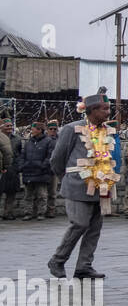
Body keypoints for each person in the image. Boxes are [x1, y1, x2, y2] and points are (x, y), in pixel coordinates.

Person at [47, 93, 117, 279]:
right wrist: (67, 177)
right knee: (79, 224)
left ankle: (84, 266)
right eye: (105, 109)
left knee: (94, 228)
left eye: (108, 109)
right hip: (77, 183)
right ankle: (58, 260)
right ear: (92, 110)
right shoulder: (72, 129)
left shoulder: (106, 131)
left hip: (101, 184)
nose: (108, 113)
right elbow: (57, 159)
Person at [19, 122, 54, 220]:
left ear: (39, 130)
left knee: (42, 195)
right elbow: (23, 155)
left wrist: (43, 165)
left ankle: (41, 213)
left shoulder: (48, 141)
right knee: (28, 195)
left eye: (33, 129)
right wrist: (22, 166)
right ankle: (28, 213)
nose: (31, 131)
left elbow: (49, 156)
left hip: (41, 172)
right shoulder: (29, 142)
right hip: (28, 171)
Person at [1, 118, 21, 220]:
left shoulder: (17, 139)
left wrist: (18, 166)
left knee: (11, 193)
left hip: (13, 169)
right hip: (2, 168)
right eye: (7, 126)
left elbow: (20, 153)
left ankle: (8, 213)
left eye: (10, 126)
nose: (10, 128)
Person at [45, 120, 60, 218]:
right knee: (41, 192)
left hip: (54, 169)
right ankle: (40, 210)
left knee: (52, 192)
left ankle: (51, 210)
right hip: (43, 168)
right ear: (47, 130)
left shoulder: (59, 140)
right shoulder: (43, 140)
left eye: (55, 129)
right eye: (51, 129)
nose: (53, 131)